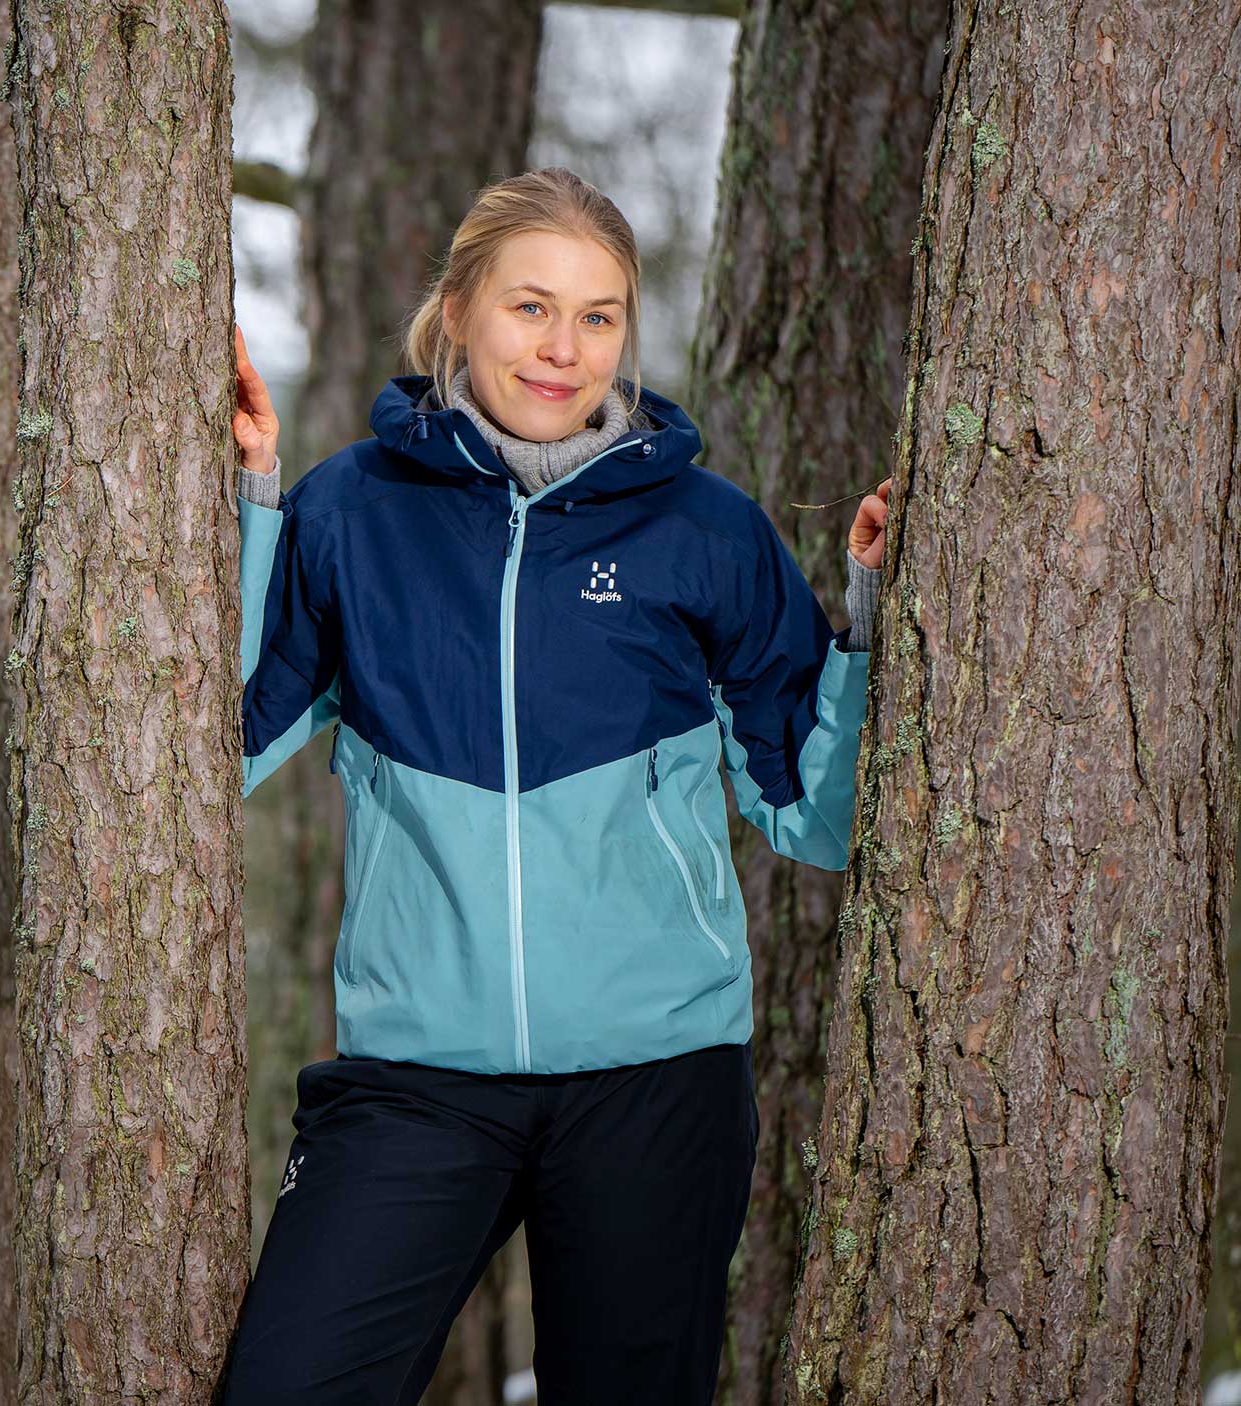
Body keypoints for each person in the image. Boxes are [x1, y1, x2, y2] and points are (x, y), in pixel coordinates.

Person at [219, 167, 890, 1404]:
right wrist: (255, 501)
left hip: (656, 1082)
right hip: (418, 1077)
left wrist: (861, 615)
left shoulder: (704, 533)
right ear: (458, 309)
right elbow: (214, 751)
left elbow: (818, 815)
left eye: (596, 315)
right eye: (530, 307)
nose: (561, 348)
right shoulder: (351, 515)